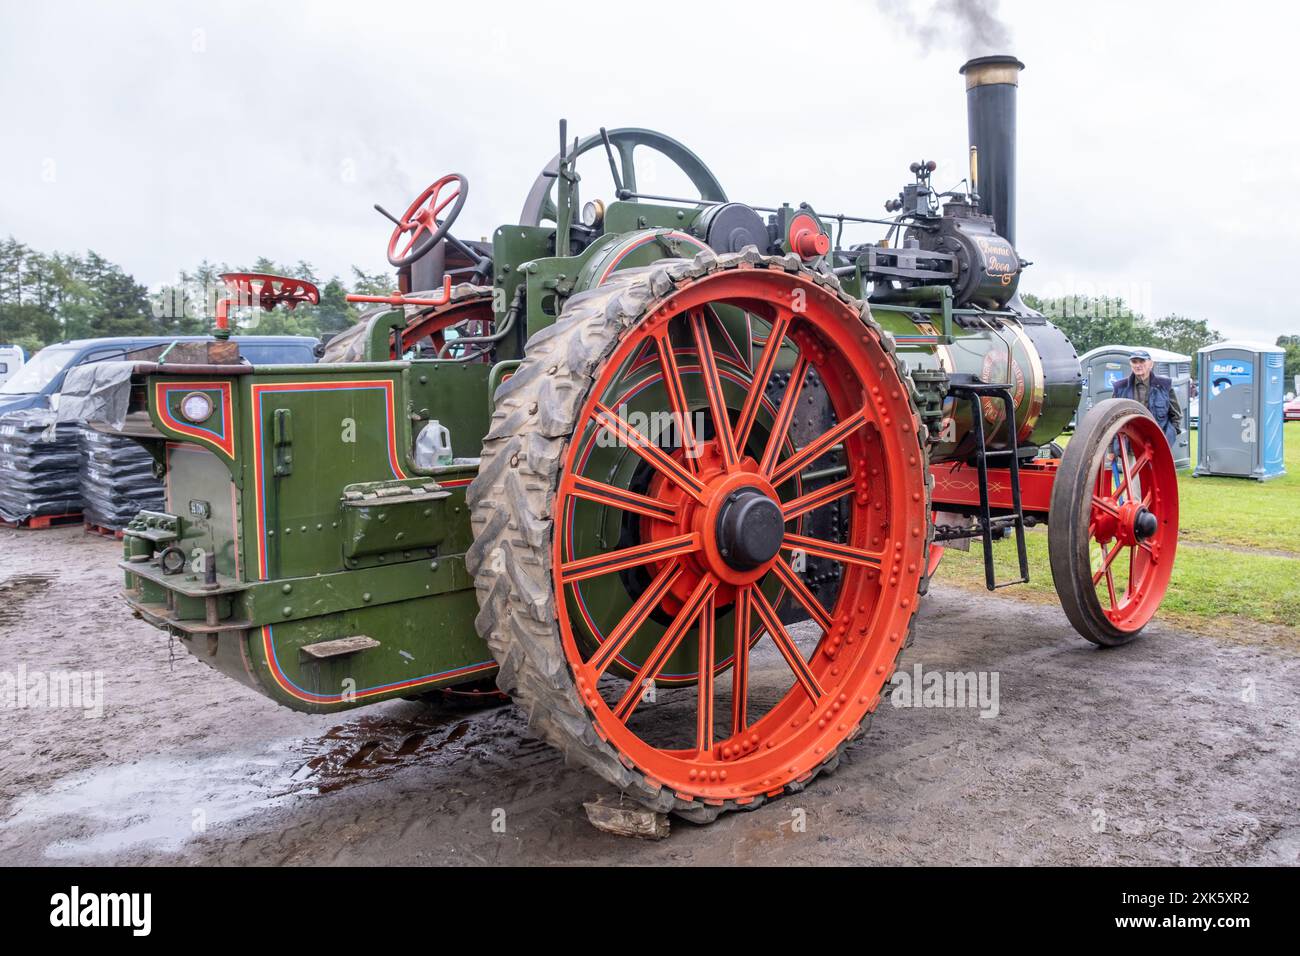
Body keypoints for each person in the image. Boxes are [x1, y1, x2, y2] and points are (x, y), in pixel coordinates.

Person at [1112, 349, 1181, 446]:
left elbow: (1176, 416)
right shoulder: (1120, 387)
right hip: (1129, 446)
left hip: (1158, 445)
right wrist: (1112, 449)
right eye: (1134, 362)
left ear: (1151, 364)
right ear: (1130, 364)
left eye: (1142, 361)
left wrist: (1168, 437)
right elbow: (1113, 419)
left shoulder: (1164, 385)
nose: (1138, 365)